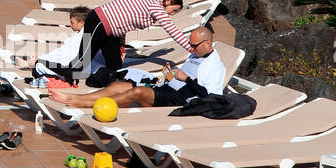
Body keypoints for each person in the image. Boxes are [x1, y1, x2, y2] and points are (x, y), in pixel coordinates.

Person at [49, 25, 223, 109]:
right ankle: (78, 97)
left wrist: (187, 79)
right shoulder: (196, 55)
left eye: (194, 46)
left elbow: (211, 96)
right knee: (117, 85)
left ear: (207, 43)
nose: (190, 49)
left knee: (137, 93)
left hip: (176, 100)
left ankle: (78, 103)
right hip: (164, 87)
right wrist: (169, 74)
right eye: (189, 45)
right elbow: (181, 77)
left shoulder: (215, 66)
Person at [57, 0, 193, 87]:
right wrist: (191, 48)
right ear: (167, 1)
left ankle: (106, 90)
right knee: (83, 59)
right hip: (99, 20)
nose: (173, 14)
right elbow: (172, 30)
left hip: (112, 31)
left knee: (115, 65)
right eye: (174, 10)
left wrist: (121, 47)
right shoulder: (157, 6)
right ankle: (58, 77)